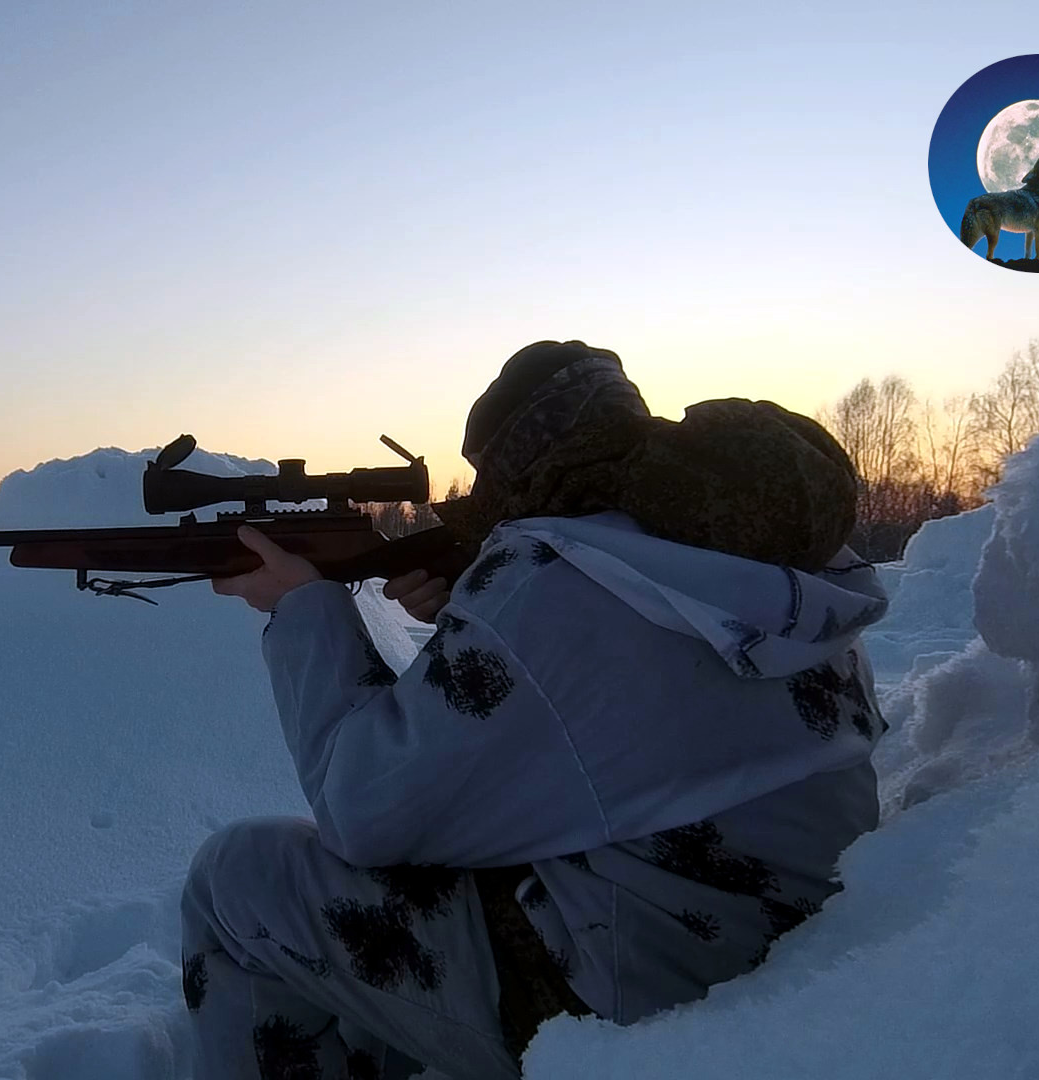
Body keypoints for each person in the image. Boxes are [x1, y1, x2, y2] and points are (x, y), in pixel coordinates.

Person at [187, 341, 889, 1080]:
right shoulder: (748, 552)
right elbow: (603, 705)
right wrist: (471, 609)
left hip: (640, 994)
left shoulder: (546, 576)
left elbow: (360, 809)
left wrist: (302, 609)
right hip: (801, 928)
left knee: (237, 878)